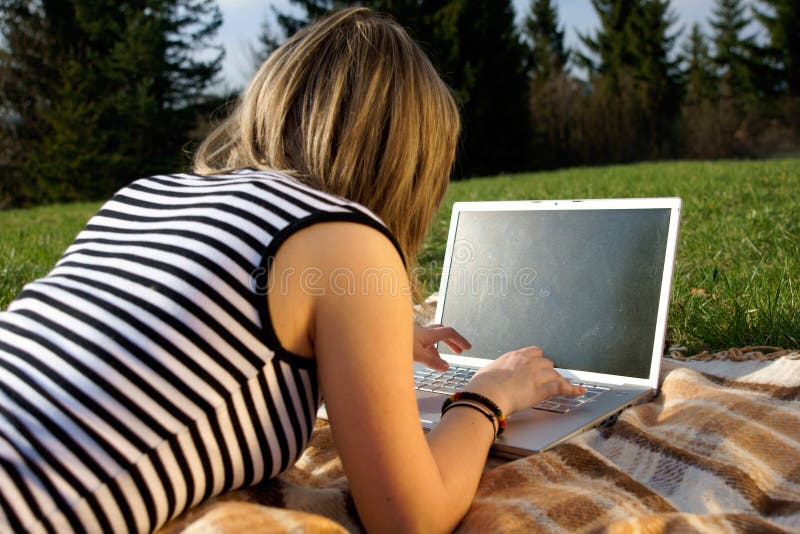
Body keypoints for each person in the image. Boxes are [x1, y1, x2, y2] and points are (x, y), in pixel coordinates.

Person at [0, 7, 584, 533]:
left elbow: (146, 332)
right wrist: (484, 398)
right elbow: (411, 517)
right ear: (410, 164)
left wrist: (371, 336)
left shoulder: (148, 195)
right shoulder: (347, 239)